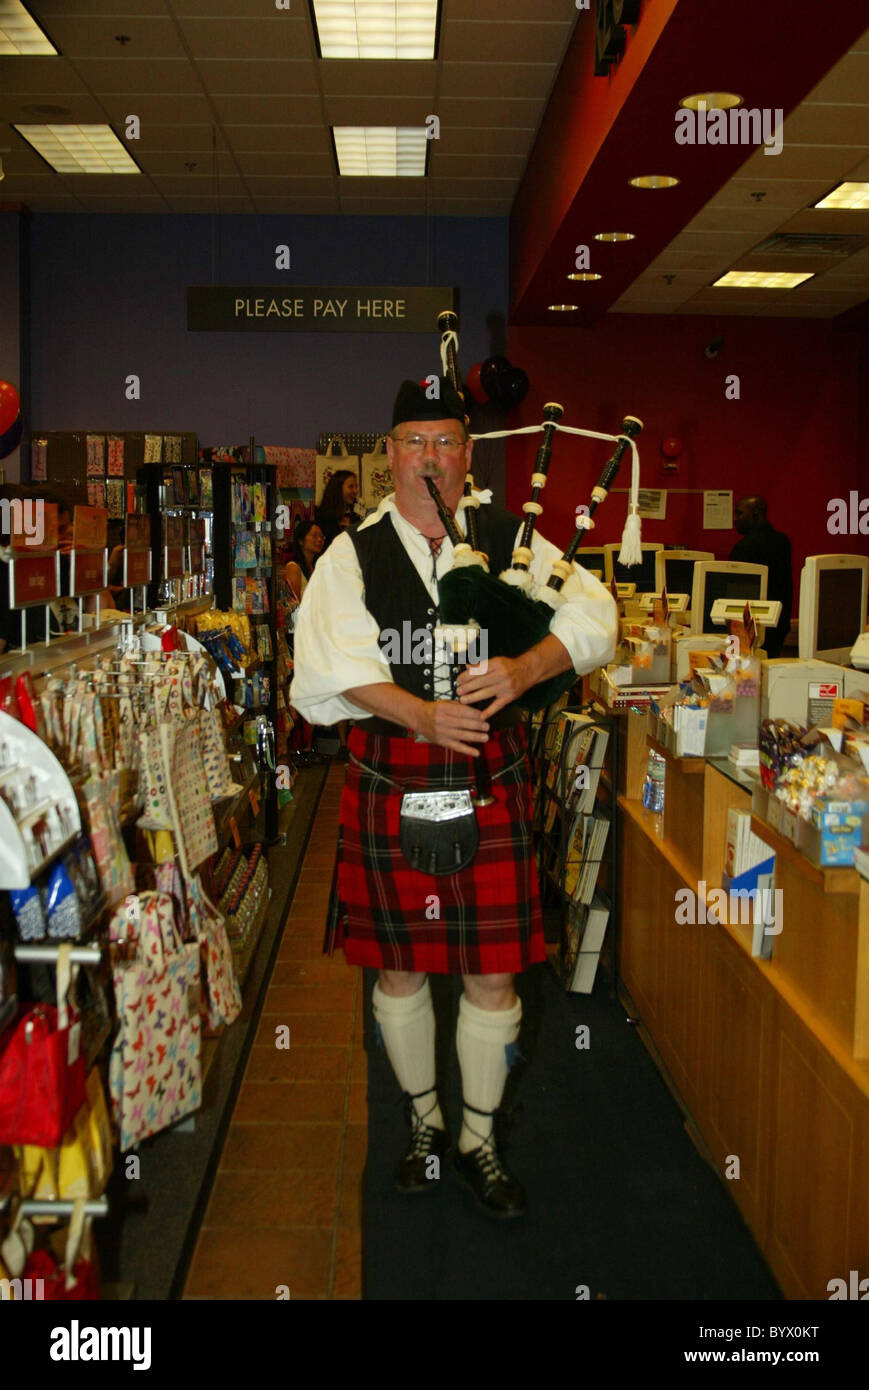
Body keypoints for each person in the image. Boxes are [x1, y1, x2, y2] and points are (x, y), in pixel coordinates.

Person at [290, 378, 617, 1219]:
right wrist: (423, 716)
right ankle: (423, 1123)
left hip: (490, 783)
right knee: (398, 970)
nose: (428, 458)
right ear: (388, 455)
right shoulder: (349, 555)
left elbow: (594, 617)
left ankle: (477, 1139)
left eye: (445, 441)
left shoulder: (514, 540)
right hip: (390, 780)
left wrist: (524, 667)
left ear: (468, 456)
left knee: (494, 975)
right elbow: (330, 669)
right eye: (411, 441)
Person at [729, 496, 792, 658]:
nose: (735, 519)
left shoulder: (743, 548)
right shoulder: (783, 541)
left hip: (750, 625)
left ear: (756, 513)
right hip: (778, 621)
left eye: (739, 513)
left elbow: (736, 592)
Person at [316, 469, 360, 549]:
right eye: (351, 487)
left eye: (356, 487)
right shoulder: (323, 516)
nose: (355, 491)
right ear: (338, 488)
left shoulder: (355, 515)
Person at [284, 519, 324, 604]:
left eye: (322, 536)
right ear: (301, 541)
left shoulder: (317, 567)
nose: (320, 539)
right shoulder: (294, 567)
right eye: (314, 536)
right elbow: (294, 604)